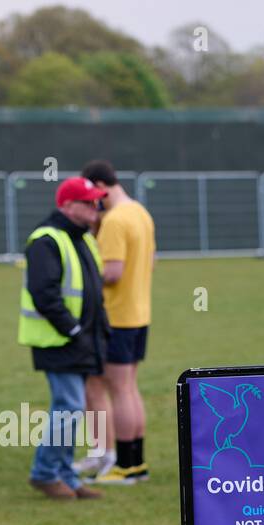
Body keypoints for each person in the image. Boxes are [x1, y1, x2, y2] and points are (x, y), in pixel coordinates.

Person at [20, 178, 110, 500]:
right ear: (66, 206)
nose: (94, 208)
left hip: (79, 339)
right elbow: (44, 294)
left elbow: (93, 291)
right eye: (87, 202)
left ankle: (66, 476)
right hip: (58, 340)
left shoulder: (81, 238)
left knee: (71, 408)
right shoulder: (46, 240)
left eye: (96, 202)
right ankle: (45, 473)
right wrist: (73, 330)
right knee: (69, 407)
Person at [74, 159, 156, 487]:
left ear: (100, 187)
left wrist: (83, 273)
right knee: (128, 389)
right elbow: (152, 262)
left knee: (118, 390)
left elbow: (112, 272)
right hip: (138, 313)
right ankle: (135, 463)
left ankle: (123, 465)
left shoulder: (115, 221)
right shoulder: (140, 212)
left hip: (115, 317)